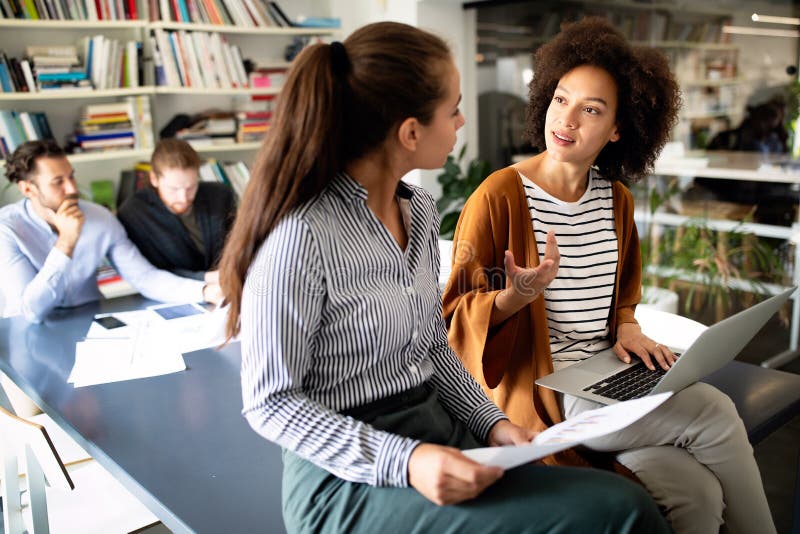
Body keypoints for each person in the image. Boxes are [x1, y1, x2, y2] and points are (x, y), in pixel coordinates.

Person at [217, 21, 669, 534]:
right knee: (623, 514)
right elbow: (270, 404)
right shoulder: (301, 236)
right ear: (410, 132)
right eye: (452, 109)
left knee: (622, 501)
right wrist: (407, 460)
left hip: (439, 430)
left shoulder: (420, 212)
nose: (461, 122)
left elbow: (433, 347)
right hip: (345, 479)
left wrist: (493, 424)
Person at [443, 17, 775, 534]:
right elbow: (453, 319)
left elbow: (623, 296)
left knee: (697, 494)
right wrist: (512, 297)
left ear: (619, 128)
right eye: (561, 99)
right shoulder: (499, 196)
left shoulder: (614, 200)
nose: (567, 119)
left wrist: (627, 326)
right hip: (547, 394)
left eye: (590, 109)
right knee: (714, 411)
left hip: (607, 376)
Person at [0, 140, 223, 323]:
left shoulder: (100, 219)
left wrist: (204, 291)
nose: (72, 189)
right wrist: (66, 243)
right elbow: (30, 312)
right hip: (26, 335)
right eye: (58, 182)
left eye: (71, 176)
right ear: (28, 189)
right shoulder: (7, 229)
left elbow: (145, 277)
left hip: (87, 322)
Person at [117, 138, 235, 281]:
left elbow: (236, 246)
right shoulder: (133, 213)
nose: (183, 198)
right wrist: (208, 278)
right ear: (154, 178)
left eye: (191, 187)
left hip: (228, 285)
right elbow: (149, 272)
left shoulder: (219, 196)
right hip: (171, 294)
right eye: (173, 189)